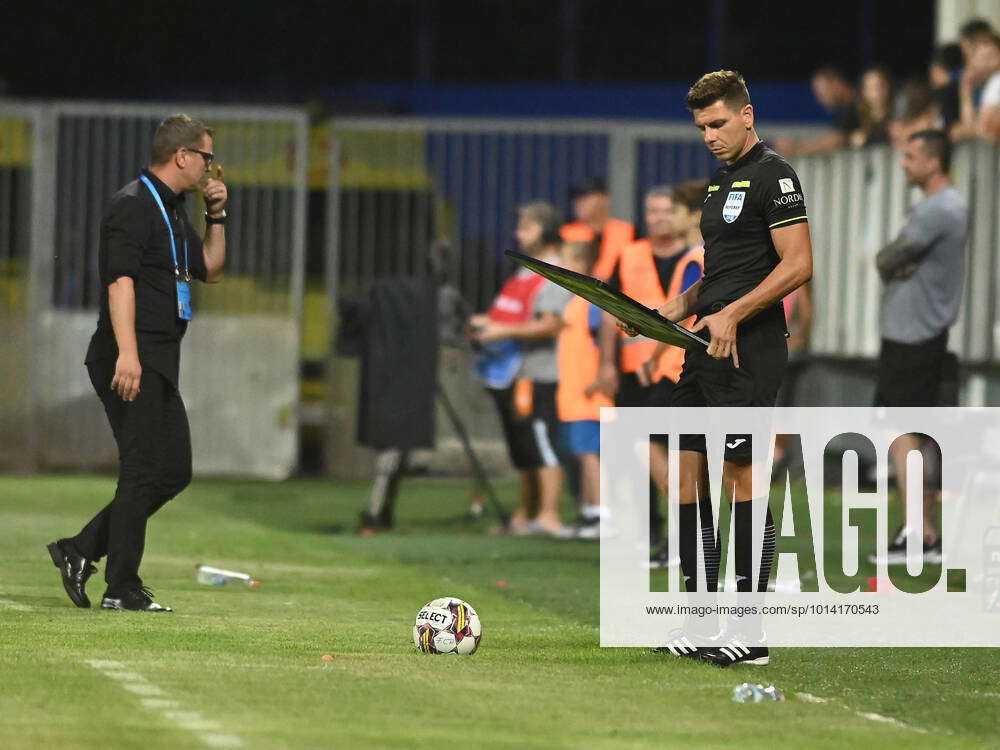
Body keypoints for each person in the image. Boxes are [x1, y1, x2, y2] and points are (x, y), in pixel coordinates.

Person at [623, 71, 813, 666]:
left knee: (740, 479)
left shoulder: (776, 176)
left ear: (747, 115)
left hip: (750, 350)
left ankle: (751, 635)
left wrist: (733, 313)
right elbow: (722, 272)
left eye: (719, 123)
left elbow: (799, 264)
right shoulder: (718, 183)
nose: (709, 135)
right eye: (702, 126)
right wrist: (675, 306)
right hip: (703, 350)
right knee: (684, 479)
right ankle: (703, 622)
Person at [46, 114, 227, 612]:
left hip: (160, 357)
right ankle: (122, 587)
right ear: (183, 156)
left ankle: (80, 550)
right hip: (131, 354)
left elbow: (209, 270)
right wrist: (127, 353)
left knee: (175, 471)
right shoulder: (132, 204)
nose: (211, 167)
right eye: (207, 156)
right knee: (144, 468)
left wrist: (217, 218)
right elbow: (119, 281)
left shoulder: (173, 210)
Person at [868, 130, 968, 566]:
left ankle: (919, 534)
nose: (904, 164)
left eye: (910, 157)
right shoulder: (945, 206)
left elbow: (887, 259)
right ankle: (924, 532)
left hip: (913, 336)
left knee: (898, 431)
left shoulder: (940, 208)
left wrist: (890, 261)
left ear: (933, 160)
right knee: (922, 434)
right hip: (921, 334)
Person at [470, 202, 572, 537]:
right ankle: (524, 515)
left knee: (543, 445)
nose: (519, 234)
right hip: (516, 374)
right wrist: (485, 323)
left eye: (527, 227)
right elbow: (514, 315)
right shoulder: (525, 271)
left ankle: (549, 515)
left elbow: (550, 325)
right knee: (524, 448)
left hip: (541, 373)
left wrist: (501, 331)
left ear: (546, 230)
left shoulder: (553, 271)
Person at [555, 240, 611, 539]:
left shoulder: (589, 301)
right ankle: (590, 512)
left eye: (565, 260)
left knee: (590, 454)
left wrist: (602, 371)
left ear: (581, 263)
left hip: (589, 391)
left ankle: (603, 514)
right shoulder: (574, 300)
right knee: (583, 452)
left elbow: (604, 332)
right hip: (576, 392)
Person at [560, 177, 635, 280]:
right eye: (577, 198)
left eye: (586, 197)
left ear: (605, 199)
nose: (579, 202)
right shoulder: (564, 233)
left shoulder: (629, 232)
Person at [774, 67, 858, 156]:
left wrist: (796, 148)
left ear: (836, 84)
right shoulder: (845, 110)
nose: (820, 99)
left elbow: (838, 140)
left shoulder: (855, 106)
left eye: (822, 93)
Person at [955, 32, 1000, 142]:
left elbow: (984, 126)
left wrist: (963, 130)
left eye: (991, 56)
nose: (987, 63)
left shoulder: (997, 80)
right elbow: (970, 124)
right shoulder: (981, 86)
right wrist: (965, 90)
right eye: (983, 58)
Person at [851, 66, 894, 147]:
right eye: (871, 87)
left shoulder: (898, 113)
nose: (877, 91)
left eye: (880, 85)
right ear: (863, 91)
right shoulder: (855, 116)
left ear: (888, 86)